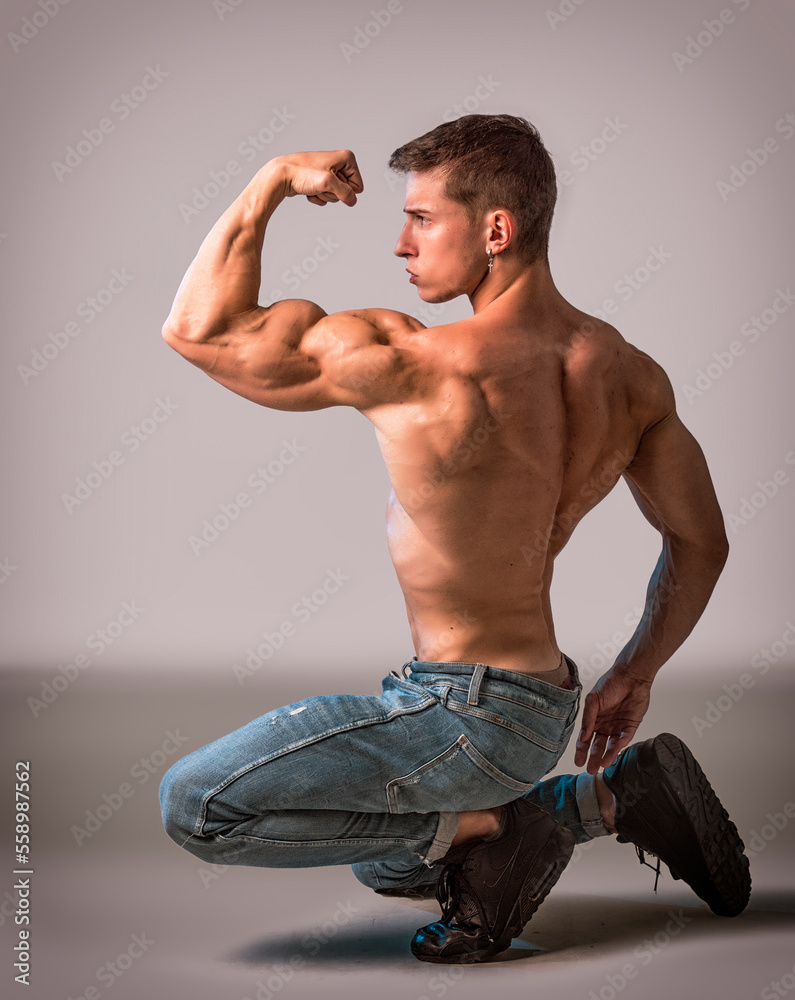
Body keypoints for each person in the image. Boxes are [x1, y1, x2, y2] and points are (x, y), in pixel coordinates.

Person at [158, 115, 750, 964]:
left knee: (197, 806)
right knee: (383, 857)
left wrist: (275, 178)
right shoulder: (630, 374)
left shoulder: (415, 361)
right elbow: (701, 543)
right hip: (540, 710)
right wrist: (634, 672)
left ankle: (502, 824)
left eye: (422, 219)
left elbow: (199, 330)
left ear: (496, 229)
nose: (401, 244)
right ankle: (597, 802)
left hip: (454, 715)